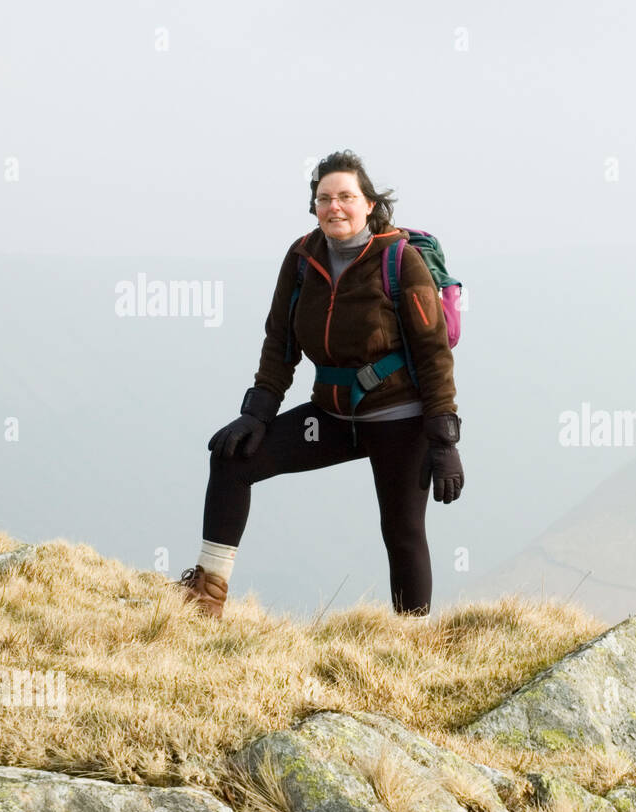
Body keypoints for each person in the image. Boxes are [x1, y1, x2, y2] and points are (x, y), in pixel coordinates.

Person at [173, 149, 463, 621]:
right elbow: (279, 339)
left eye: (346, 196)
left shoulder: (399, 261)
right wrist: (257, 412)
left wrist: (444, 436)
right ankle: (206, 598)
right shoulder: (303, 258)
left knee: (403, 530)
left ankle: (412, 645)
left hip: (399, 418)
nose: (335, 207)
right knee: (231, 461)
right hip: (330, 417)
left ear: (369, 203)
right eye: (324, 197)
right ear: (314, 206)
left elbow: (433, 353)